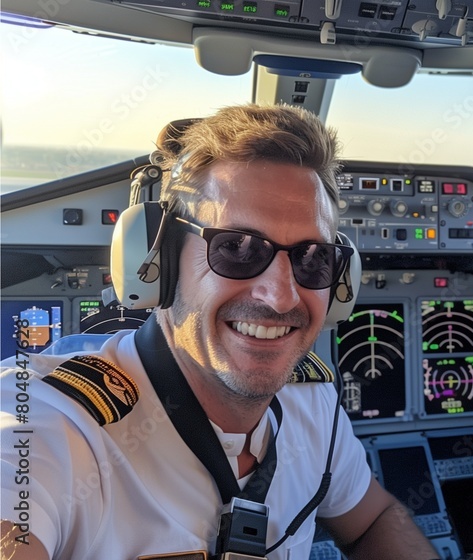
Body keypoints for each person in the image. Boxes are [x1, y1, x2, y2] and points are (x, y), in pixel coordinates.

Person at [0, 104, 440, 559]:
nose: (281, 296)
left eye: (313, 258)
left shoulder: (314, 405)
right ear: (156, 264)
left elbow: (371, 519)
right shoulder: (48, 423)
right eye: (237, 248)